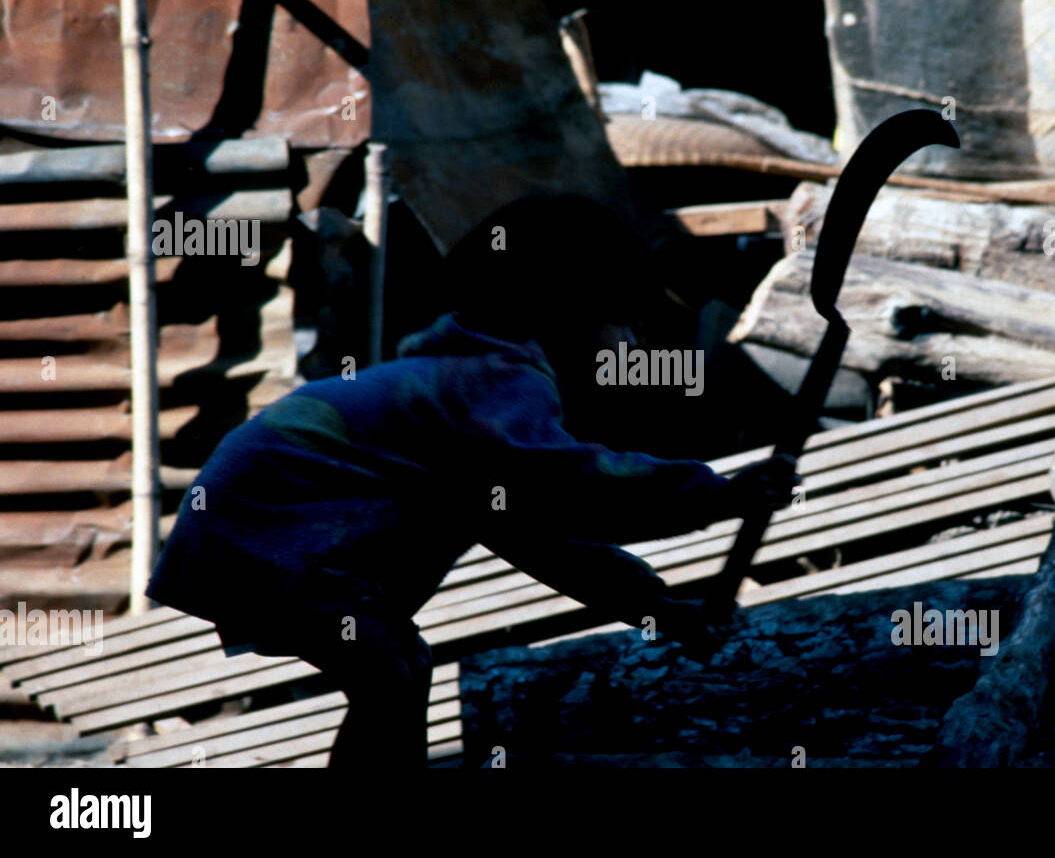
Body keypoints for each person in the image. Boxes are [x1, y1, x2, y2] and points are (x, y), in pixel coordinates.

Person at [146, 193, 799, 768]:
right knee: (390, 668)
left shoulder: (464, 392)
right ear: (568, 311)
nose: (627, 346)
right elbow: (575, 488)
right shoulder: (498, 385)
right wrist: (720, 493)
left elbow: (540, 538)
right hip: (271, 532)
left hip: (250, 529)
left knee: (391, 668)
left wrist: (654, 606)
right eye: (620, 323)